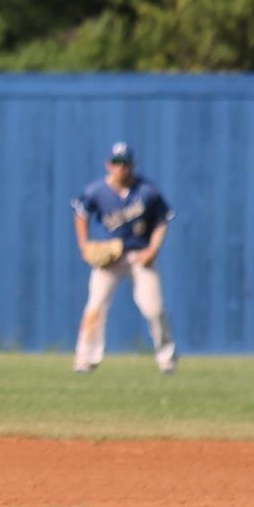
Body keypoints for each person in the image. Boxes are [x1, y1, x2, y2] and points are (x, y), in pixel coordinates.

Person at [70, 141, 177, 374]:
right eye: (117, 163)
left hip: (140, 256)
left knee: (154, 309)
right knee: (95, 308)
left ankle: (167, 359)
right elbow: (80, 213)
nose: (121, 168)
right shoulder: (96, 191)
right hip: (110, 257)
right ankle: (85, 360)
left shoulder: (148, 192)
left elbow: (162, 221)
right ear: (108, 165)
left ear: (132, 165)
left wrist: (153, 250)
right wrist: (84, 245)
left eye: (125, 163)